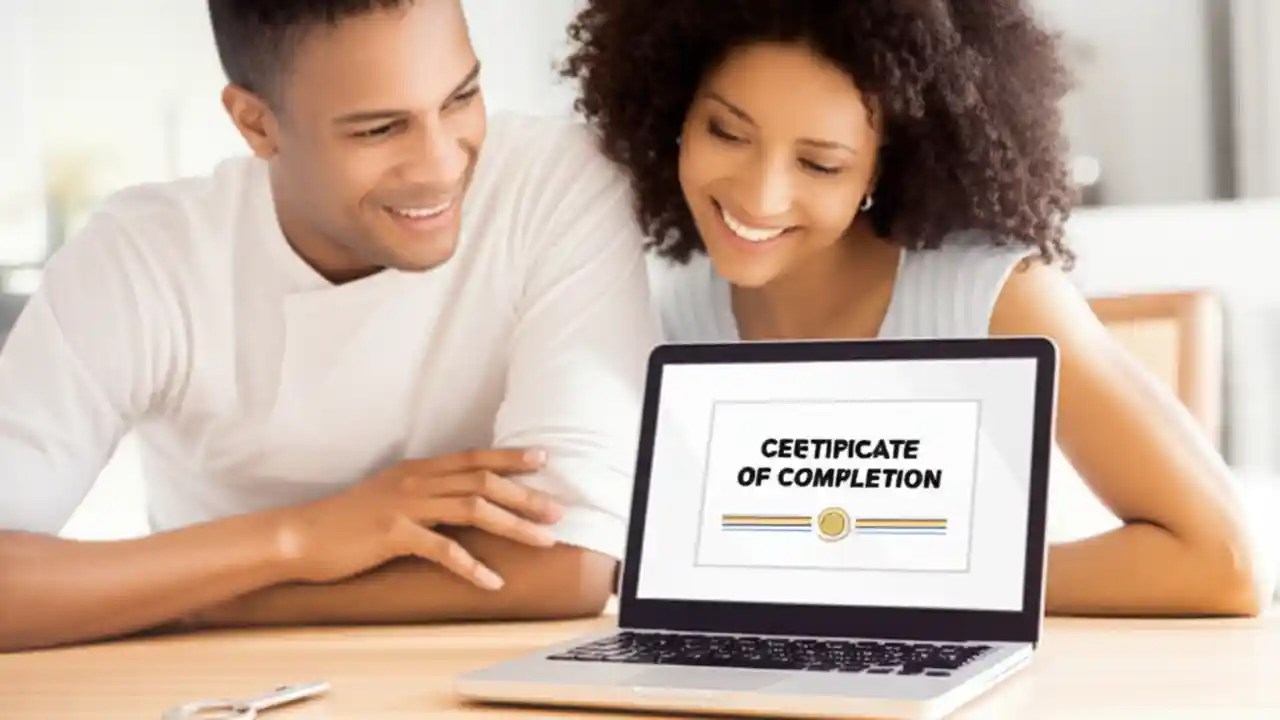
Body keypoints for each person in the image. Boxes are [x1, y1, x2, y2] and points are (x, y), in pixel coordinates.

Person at [562, 0, 1273, 616]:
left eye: (819, 164)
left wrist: (903, 583)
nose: (760, 196)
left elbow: (1225, 563)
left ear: (884, 166)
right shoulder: (659, 308)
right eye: (727, 132)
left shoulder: (996, 296)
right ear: (675, 111)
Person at [0, 0, 657, 653]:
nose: (440, 165)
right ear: (256, 124)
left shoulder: (553, 185)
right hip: (216, 689)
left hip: (476, 680)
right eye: (379, 130)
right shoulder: (145, 259)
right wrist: (301, 539)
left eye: (461, 97)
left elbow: (568, 565)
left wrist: (186, 594)